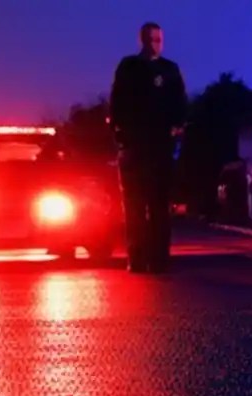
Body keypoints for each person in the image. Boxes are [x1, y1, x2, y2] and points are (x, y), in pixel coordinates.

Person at [110, 22, 187, 273]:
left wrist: (177, 129)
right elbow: (117, 103)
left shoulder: (170, 70)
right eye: (151, 39)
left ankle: (160, 259)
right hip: (134, 148)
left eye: (158, 39)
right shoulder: (129, 67)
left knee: (159, 206)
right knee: (134, 206)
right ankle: (137, 258)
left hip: (161, 149)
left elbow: (180, 105)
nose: (155, 44)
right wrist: (121, 136)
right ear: (142, 40)